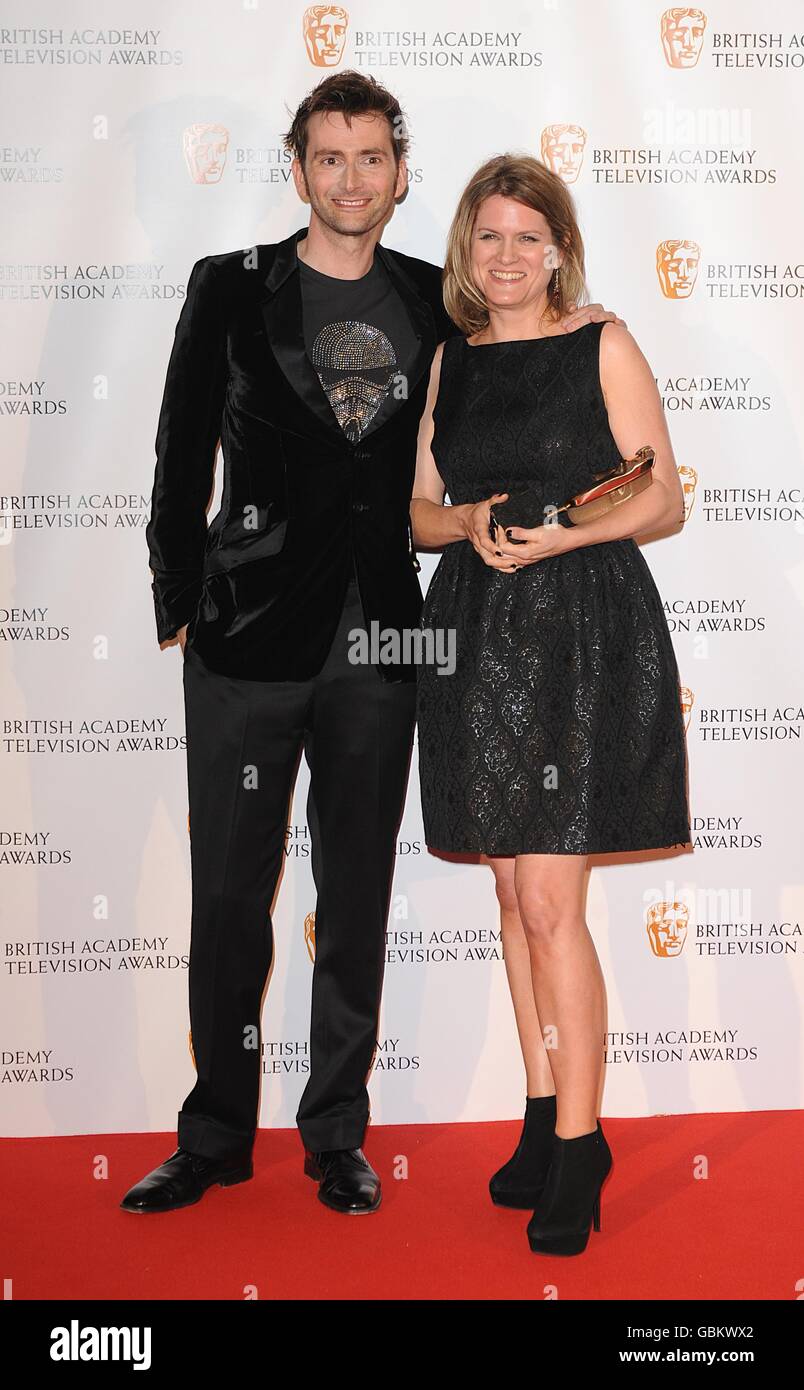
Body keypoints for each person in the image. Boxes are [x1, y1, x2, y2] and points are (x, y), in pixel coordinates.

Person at [122, 74, 622, 1218]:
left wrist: (587, 319)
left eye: (371, 158)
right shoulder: (229, 289)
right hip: (246, 640)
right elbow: (176, 455)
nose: (350, 179)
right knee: (227, 898)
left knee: (357, 894)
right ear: (298, 171)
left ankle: (335, 1133)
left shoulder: (434, 304)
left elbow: (520, 356)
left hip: (388, 641)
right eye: (328, 159)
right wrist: (181, 600)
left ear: (400, 174)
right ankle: (213, 1134)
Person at [411, 154, 692, 1255]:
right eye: (490, 237)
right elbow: (417, 513)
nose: (510, 256)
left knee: (547, 906)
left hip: (583, 632)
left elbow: (662, 491)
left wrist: (568, 533)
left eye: (530, 236)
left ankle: (582, 1144)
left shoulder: (603, 342)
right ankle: (539, 1112)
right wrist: (472, 517)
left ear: (561, 248)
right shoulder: (449, 364)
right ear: (466, 255)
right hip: (478, 637)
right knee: (508, 891)